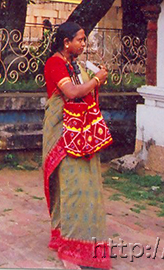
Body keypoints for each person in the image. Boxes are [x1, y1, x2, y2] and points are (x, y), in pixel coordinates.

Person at [42, 22, 112, 268]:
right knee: (73, 186)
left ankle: (83, 240)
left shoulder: (76, 65)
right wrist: (95, 81)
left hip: (82, 134)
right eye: (80, 40)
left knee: (86, 184)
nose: (84, 44)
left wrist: (95, 82)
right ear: (66, 42)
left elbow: (84, 96)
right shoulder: (55, 63)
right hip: (62, 134)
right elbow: (71, 93)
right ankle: (72, 243)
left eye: (84, 40)